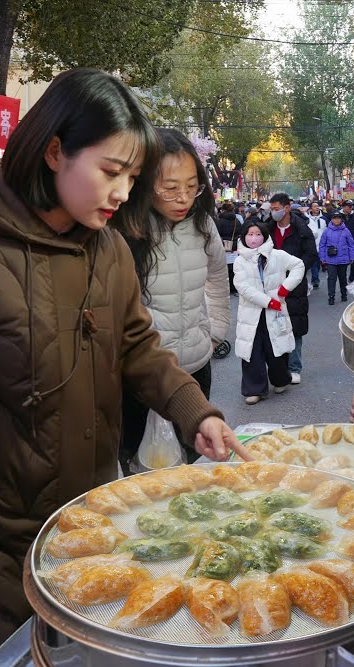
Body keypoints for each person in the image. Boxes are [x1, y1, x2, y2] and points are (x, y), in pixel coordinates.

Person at [0, 68, 247, 655]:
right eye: (110, 172)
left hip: (93, 521)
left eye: (132, 177)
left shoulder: (110, 247)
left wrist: (195, 413)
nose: (123, 193)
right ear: (53, 151)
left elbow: (138, 346)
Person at [119, 129, 232, 470]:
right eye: (170, 188)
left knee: (194, 460)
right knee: (140, 470)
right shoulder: (125, 231)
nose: (183, 198)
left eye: (191, 186)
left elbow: (216, 276)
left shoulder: (202, 224)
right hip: (140, 376)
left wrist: (215, 331)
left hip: (196, 365)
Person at [233, 222, 305, 404]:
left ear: (264, 236)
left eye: (257, 234)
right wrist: (267, 301)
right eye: (249, 234)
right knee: (252, 349)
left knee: (277, 347)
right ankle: (254, 388)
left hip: (276, 312)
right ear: (243, 237)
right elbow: (242, 286)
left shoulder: (277, 256)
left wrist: (285, 288)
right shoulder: (240, 260)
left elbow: (299, 265)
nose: (253, 238)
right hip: (251, 313)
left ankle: (281, 380)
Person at [265, 192, 318, 385]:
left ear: (287, 208)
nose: (274, 212)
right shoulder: (266, 229)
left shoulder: (302, 229)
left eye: (276, 209)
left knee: (294, 325)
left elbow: (311, 254)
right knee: (274, 325)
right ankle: (279, 369)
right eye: (271, 209)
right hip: (270, 284)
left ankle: (295, 367)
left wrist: (294, 273)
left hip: (295, 285)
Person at [318, 211, 354, 305]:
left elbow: (351, 244)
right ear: (331, 219)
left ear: (341, 219)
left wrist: (352, 257)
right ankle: (331, 297)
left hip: (343, 259)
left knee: (343, 278)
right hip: (330, 259)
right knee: (331, 279)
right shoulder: (327, 231)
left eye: (338, 218)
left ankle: (344, 294)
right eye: (334, 218)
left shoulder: (346, 230)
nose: (336, 220)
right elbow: (322, 245)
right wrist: (322, 257)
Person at [215, 200, 241, 296]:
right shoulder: (236, 220)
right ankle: (233, 287)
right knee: (234, 267)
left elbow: (217, 233)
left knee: (223, 267)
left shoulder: (220, 221)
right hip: (234, 246)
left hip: (223, 245)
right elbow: (240, 232)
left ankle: (225, 286)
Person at [303, 202, 327, 289]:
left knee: (319, 263)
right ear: (311, 208)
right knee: (314, 263)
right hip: (311, 245)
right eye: (315, 206)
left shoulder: (324, 219)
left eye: (318, 206)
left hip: (322, 244)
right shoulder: (306, 219)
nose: (317, 208)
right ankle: (315, 280)